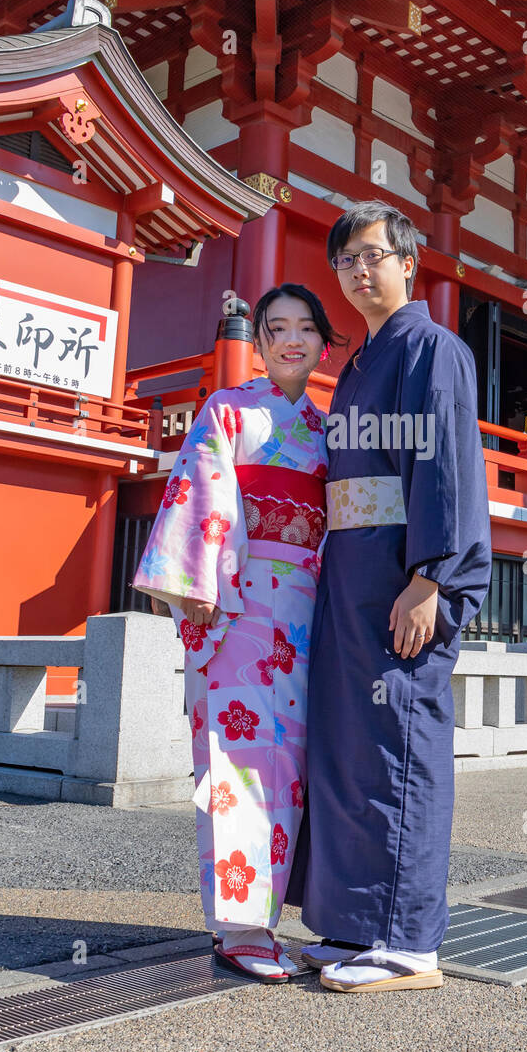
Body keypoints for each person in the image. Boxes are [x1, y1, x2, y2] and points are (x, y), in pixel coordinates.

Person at [292, 201, 492, 993]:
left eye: (372, 255)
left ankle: (408, 942)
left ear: (408, 262)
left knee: (398, 742)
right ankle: (352, 921)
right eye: (344, 261)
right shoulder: (359, 363)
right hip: (351, 572)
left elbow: (444, 467)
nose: (357, 271)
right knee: (347, 746)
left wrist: (430, 576)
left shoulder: (430, 350)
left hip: (401, 576)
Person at [133, 284, 341, 982]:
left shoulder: (325, 429)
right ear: (256, 341)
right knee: (238, 761)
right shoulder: (228, 411)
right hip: (240, 606)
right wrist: (199, 590)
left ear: (323, 341)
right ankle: (239, 925)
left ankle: (279, 915)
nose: (290, 340)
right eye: (275, 328)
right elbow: (201, 494)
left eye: (305, 328)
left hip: (310, 614)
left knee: (295, 768)